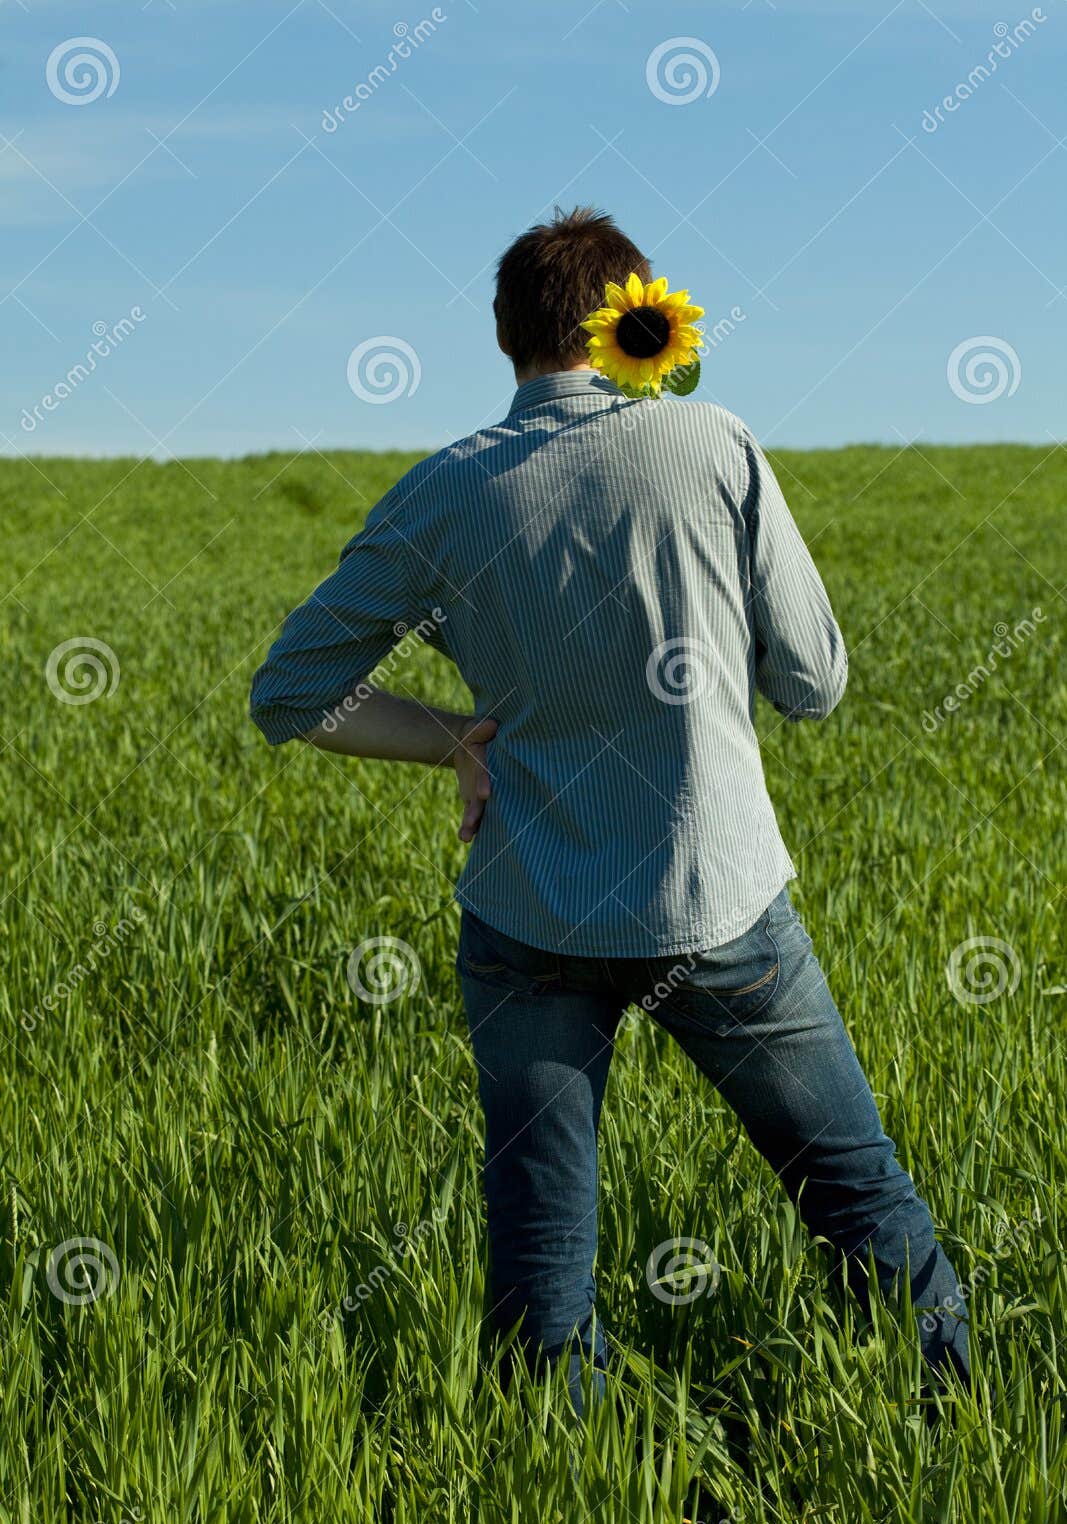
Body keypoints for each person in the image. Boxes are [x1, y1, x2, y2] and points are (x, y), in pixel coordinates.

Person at [249, 207, 969, 1414]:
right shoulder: (712, 441)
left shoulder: (444, 492)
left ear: (504, 337)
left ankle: (573, 1519)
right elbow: (814, 682)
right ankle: (965, 1429)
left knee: (540, 1278)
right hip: (714, 901)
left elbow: (290, 694)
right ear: (629, 320)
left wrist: (451, 741)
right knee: (857, 1199)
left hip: (527, 917)